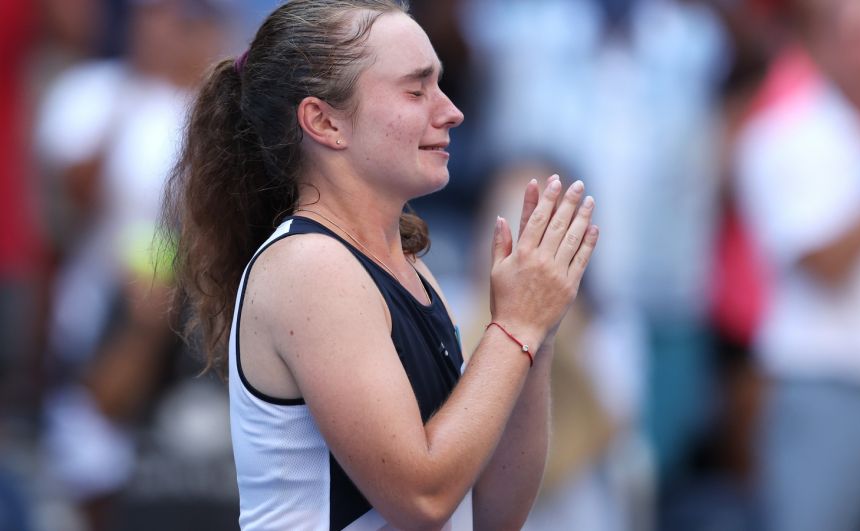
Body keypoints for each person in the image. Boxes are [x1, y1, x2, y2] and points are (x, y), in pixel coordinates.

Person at [162, 1, 600, 529]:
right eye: (416, 90)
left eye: (439, 84)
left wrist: (538, 331)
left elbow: (492, 513)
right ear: (324, 121)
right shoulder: (310, 266)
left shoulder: (409, 269)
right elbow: (422, 499)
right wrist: (515, 327)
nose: (451, 111)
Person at [735, 0, 860, 529]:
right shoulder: (782, 136)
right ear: (816, 46)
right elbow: (828, 266)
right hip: (828, 386)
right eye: (850, 37)